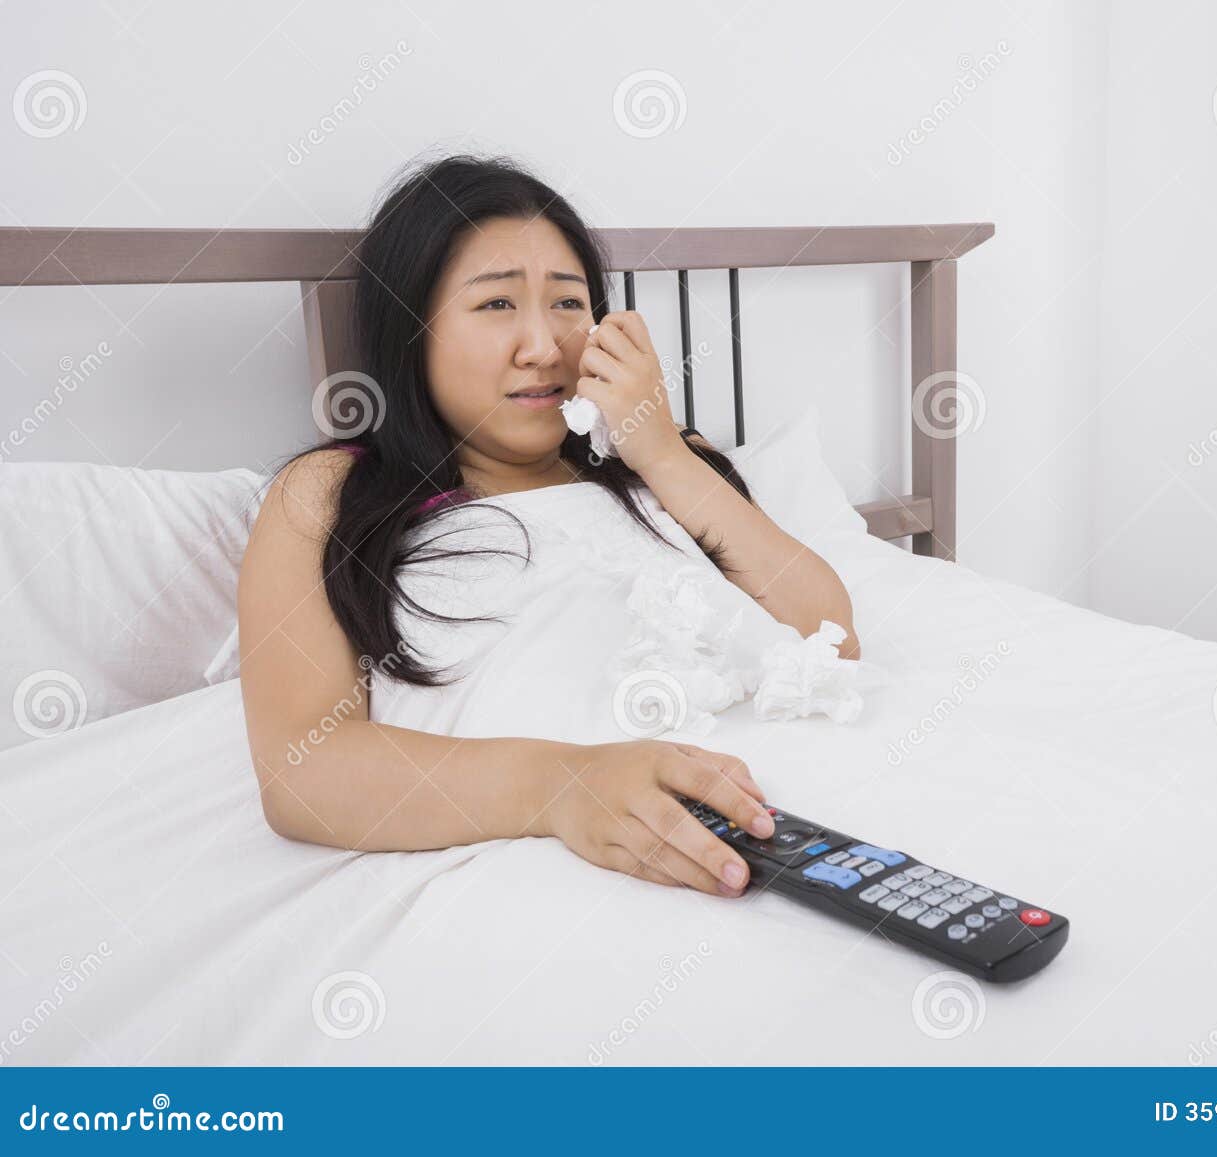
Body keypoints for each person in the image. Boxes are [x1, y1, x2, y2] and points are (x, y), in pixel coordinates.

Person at [237, 153, 858, 899]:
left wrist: (662, 450)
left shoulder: (655, 459)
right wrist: (565, 784)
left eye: (568, 303)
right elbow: (305, 771)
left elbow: (831, 633)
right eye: (497, 304)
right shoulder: (330, 495)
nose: (544, 346)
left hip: (791, 813)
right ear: (411, 330)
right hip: (574, 863)